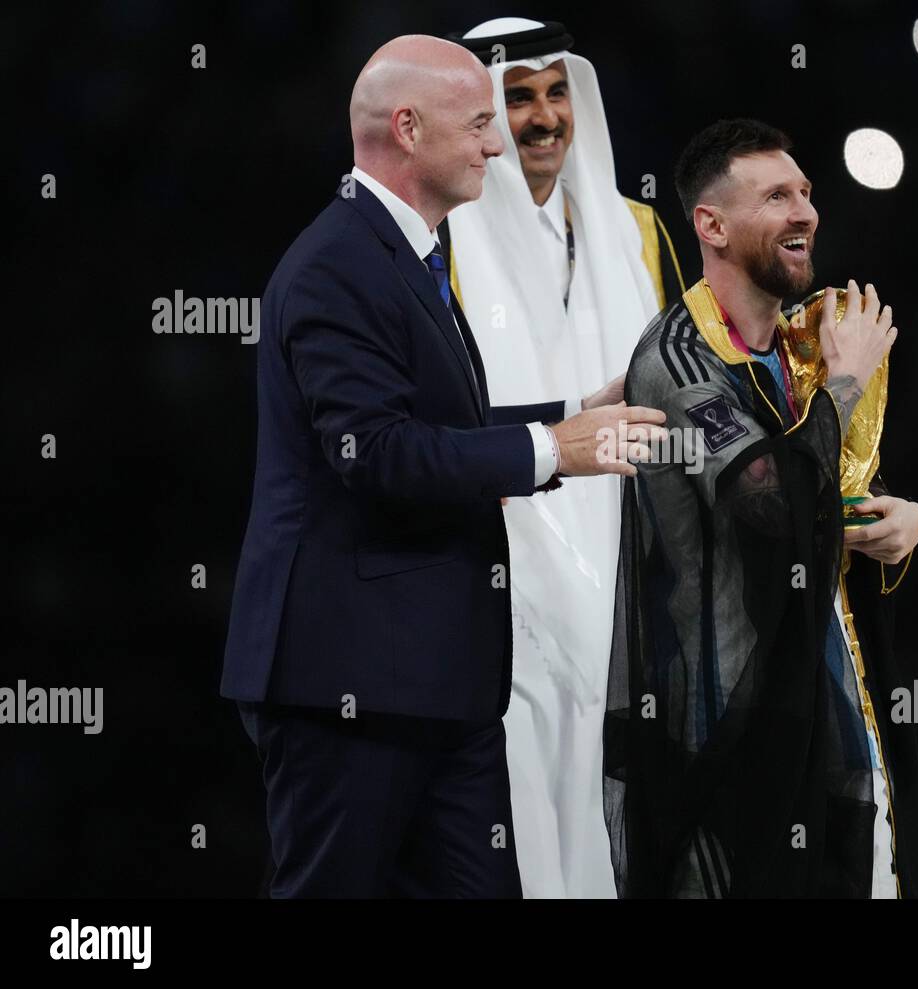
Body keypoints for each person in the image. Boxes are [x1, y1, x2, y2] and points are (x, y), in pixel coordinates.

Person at [220, 34, 664, 898]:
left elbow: (439, 427)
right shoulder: (333, 267)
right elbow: (376, 455)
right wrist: (551, 453)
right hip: (347, 681)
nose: (497, 145)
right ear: (409, 128)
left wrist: (574, 413)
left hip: (441, 684)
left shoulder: (409, 255)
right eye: (478, 125)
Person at [603, 118, 918, 897]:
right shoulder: (677, 360)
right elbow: (775, 504)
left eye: (807, 193)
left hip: (825, 721)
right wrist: (846, 384)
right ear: (711, 225)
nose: (805, 212)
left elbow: (827, 494)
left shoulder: (794, 347)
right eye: (777, 195)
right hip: (726, 749)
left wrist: (901, 519)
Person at [435, 16, 684, 898]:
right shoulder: (441, 240)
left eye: (555, 93)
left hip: (629, 585)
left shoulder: (641, 231)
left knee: (619, 831)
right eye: (516, 98)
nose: (542, 120)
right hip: (499, 580)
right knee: (525, 828)